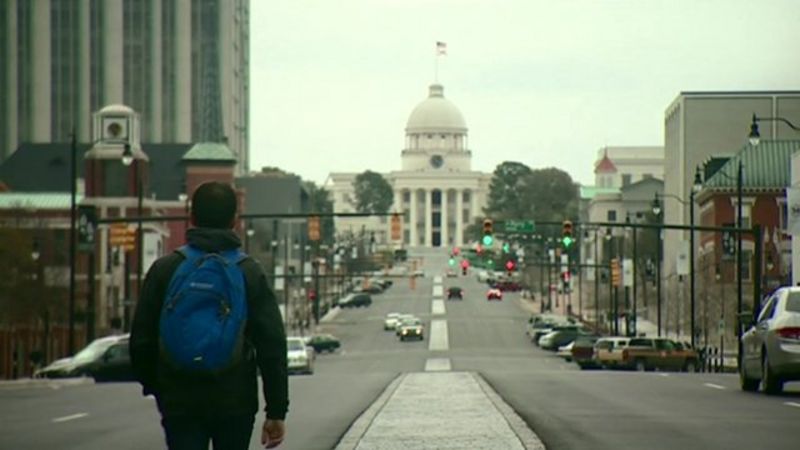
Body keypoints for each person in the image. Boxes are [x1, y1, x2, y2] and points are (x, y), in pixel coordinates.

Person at [130, 181, 288, 449]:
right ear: (235, 221)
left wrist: (159, 388)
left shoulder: (165, 270)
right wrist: (276, 411)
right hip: (235, 399)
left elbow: (141, 341)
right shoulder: (248, 272)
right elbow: (271, 344)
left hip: (179, 399)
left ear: (192, 217)